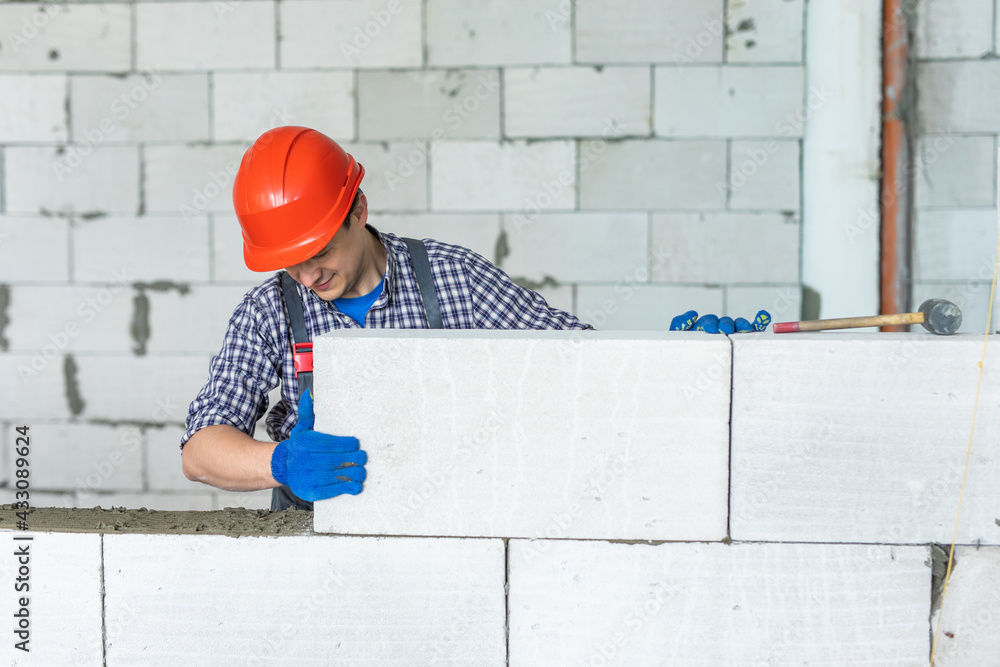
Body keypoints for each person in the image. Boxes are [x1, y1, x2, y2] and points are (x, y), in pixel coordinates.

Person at [180, 126, 594, 511]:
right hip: (316, 539)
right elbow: (200, 451)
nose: (308, 277)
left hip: (448, 526)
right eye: (291, 263)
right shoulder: (268, 313)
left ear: (358, 210)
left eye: (321, 252)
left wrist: (656, 357)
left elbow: (578, 357)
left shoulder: (455, 278)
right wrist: (281, 462)